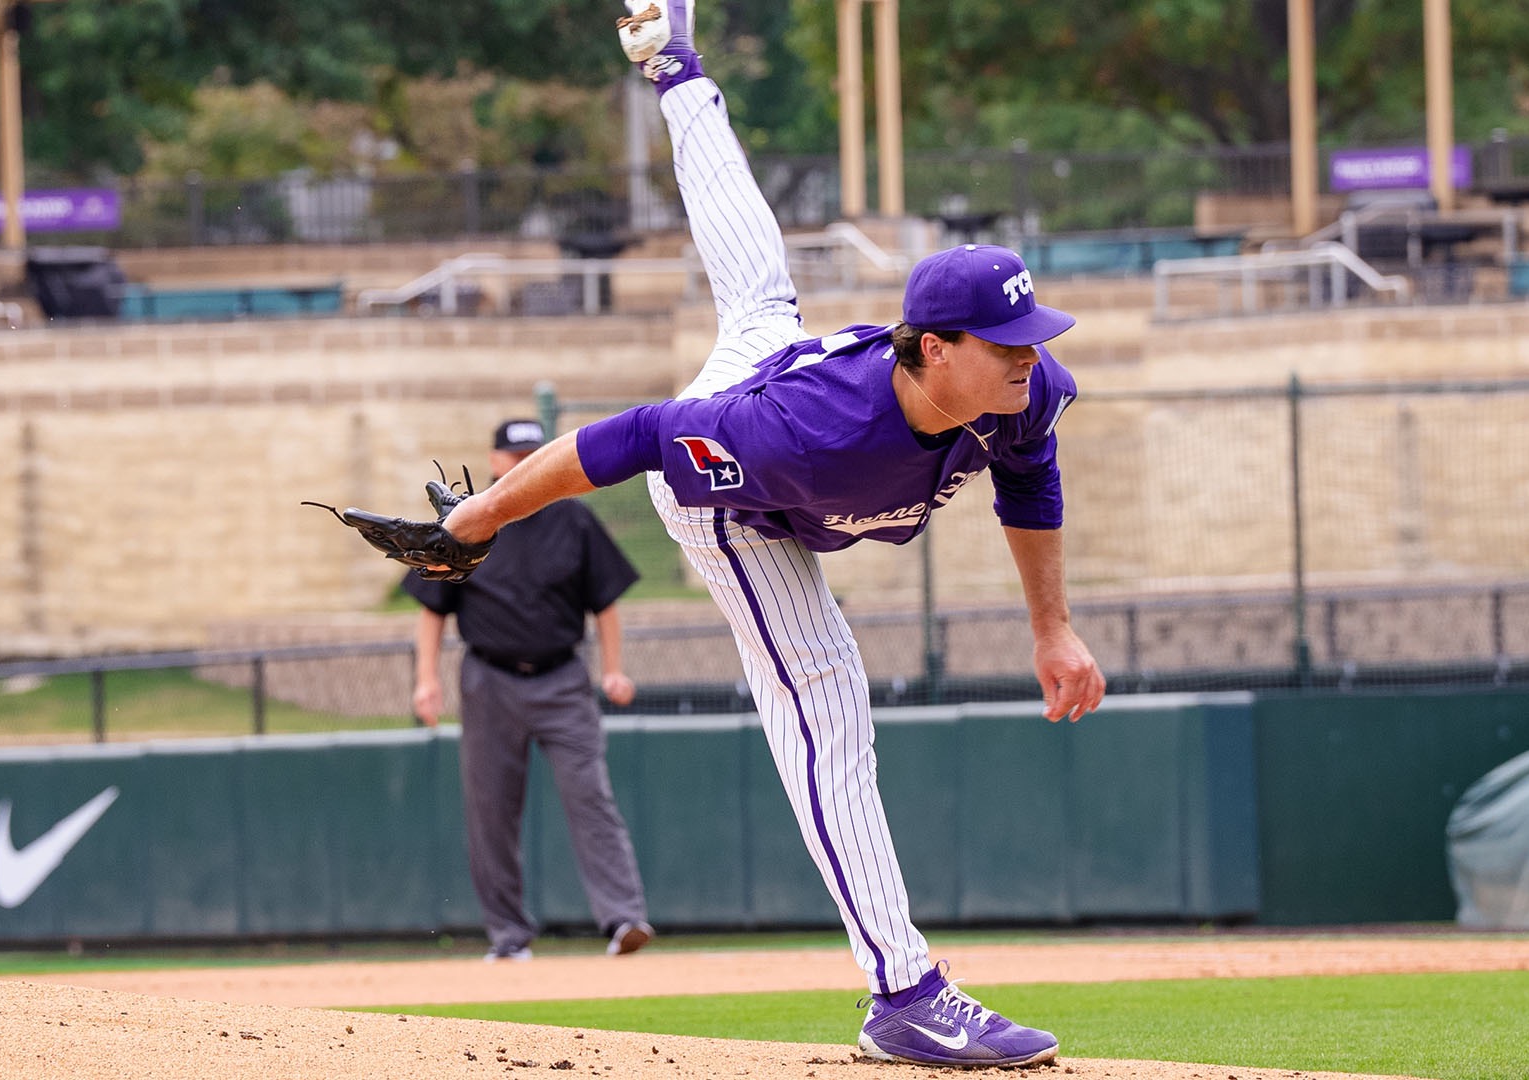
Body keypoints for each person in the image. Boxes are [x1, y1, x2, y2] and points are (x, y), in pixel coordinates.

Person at [434, 3, 1106, 1067]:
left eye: (1031, 338)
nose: (1029, 357)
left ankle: (676, 69)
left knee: (760, 285)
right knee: (827, 698)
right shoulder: (804, 432)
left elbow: (1030, 484)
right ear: (932, 348)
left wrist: (1052, 629)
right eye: (1003, 342)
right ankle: (904, 992)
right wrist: (484, 514)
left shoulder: (1022, 393)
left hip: (771, 362)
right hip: (731, 497)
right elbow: (640, 437)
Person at [406, 418, 655, 962]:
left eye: (531, 454)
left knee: (590, 796)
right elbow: (432, 609)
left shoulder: (572, 517)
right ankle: (508, 936)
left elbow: (605, 601)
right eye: (512, 455)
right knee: (490, 809)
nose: (521, 464)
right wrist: (426, 680)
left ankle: (624, 919)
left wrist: (612, 668)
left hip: (563, 678)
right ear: (494, 461)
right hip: (489, 678)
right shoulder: (468, 523)